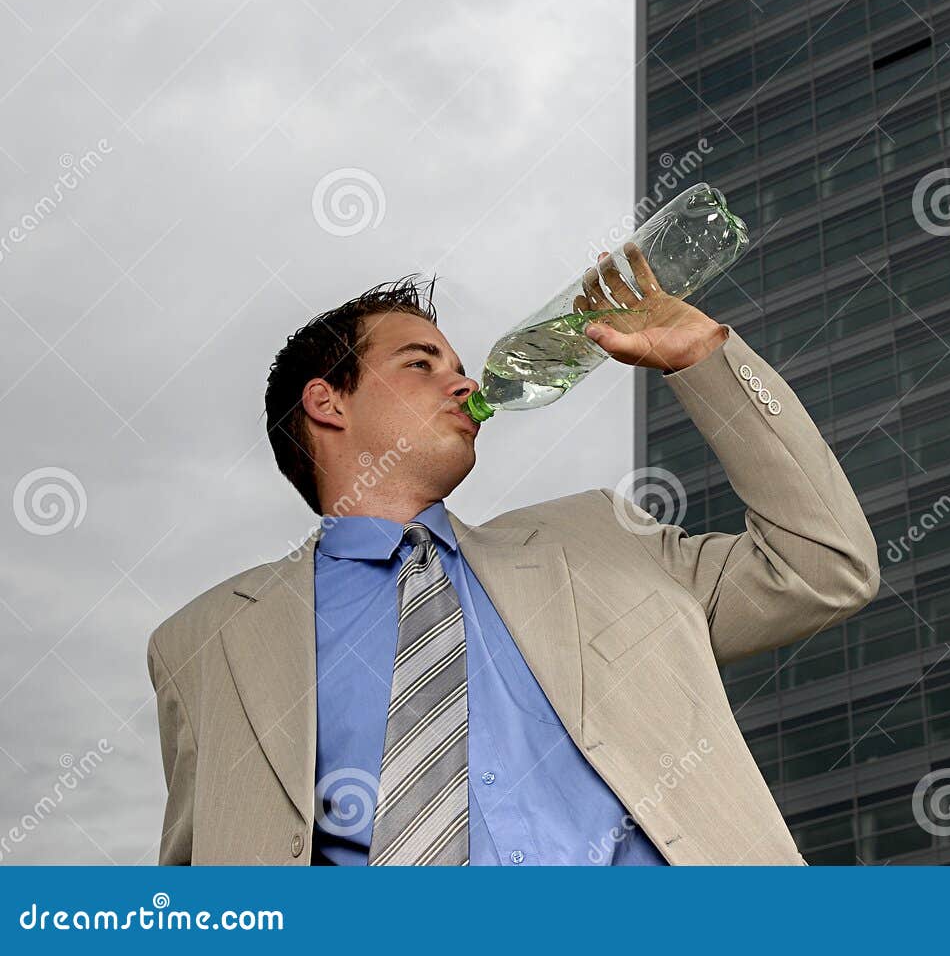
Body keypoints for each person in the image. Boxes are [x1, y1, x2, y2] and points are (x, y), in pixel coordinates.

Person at [145, 244, 879, 864]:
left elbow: (824, 568)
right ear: (326, 402)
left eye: (458, 363)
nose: (463, 382)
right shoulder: (205, 642)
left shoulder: (598, 538)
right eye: (419, 363)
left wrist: (703, 360)